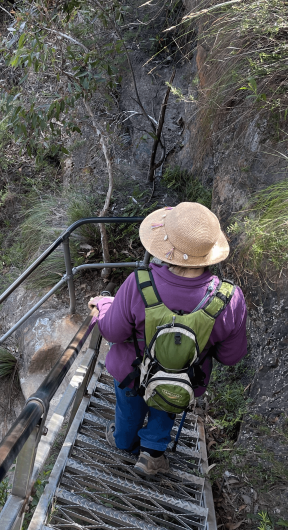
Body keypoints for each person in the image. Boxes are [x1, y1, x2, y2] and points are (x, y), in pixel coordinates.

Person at [89, 201, 248, 476]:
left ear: (166, 245)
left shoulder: (139, 283)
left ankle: (125, 443)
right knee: (167, 402)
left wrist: (103, 306)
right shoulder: (229, 298)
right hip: (184, 378)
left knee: (129, 406)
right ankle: (152, 453)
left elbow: (113, 332)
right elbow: (230, 356)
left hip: (132, 372)